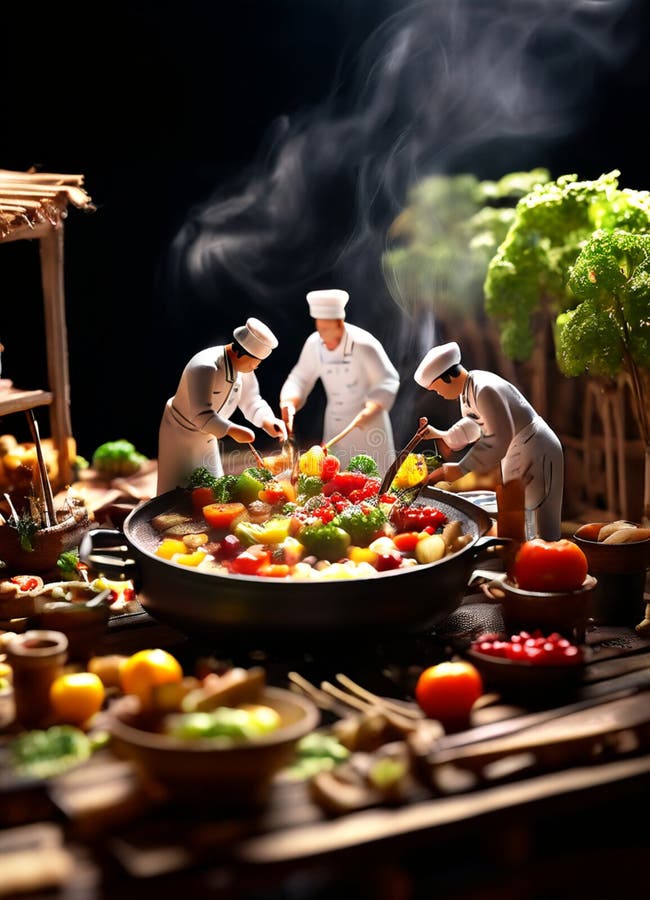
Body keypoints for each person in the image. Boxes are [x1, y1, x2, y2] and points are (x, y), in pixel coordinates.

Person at [413, 341, 564, 541]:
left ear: (447, 377)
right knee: (520, 512)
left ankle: (551, 562)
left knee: (539, 514)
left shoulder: (484, 389)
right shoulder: (467, 391)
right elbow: (474, 426)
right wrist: (440, 434)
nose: (438, 394)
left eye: (436, 388)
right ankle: (525, 558)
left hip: (535, 445)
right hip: (516, 449)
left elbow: (498, 438)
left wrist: (460, 468)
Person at [157, 317, 287, 494]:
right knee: (176, 487)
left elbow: (252, 401)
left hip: (208, 433)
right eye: (255, 362)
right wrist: (232, 430)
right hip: (180, 430)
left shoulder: (243, 369)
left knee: (212, 486)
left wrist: (268, 420)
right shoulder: (204, 366)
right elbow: (201, 414)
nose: (256, 367)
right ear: (241, 353)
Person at [279, 289, 400, 473]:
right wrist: (289, 403)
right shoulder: (314, 344)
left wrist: (371, 409)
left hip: (368, 427)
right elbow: (299, 378)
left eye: (326, 329)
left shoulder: (364, 344)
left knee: (376, 478)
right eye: (319, 329)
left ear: (339, 323)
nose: (321, 335)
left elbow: (387, 381)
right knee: (334, 476)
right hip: (335, 423)